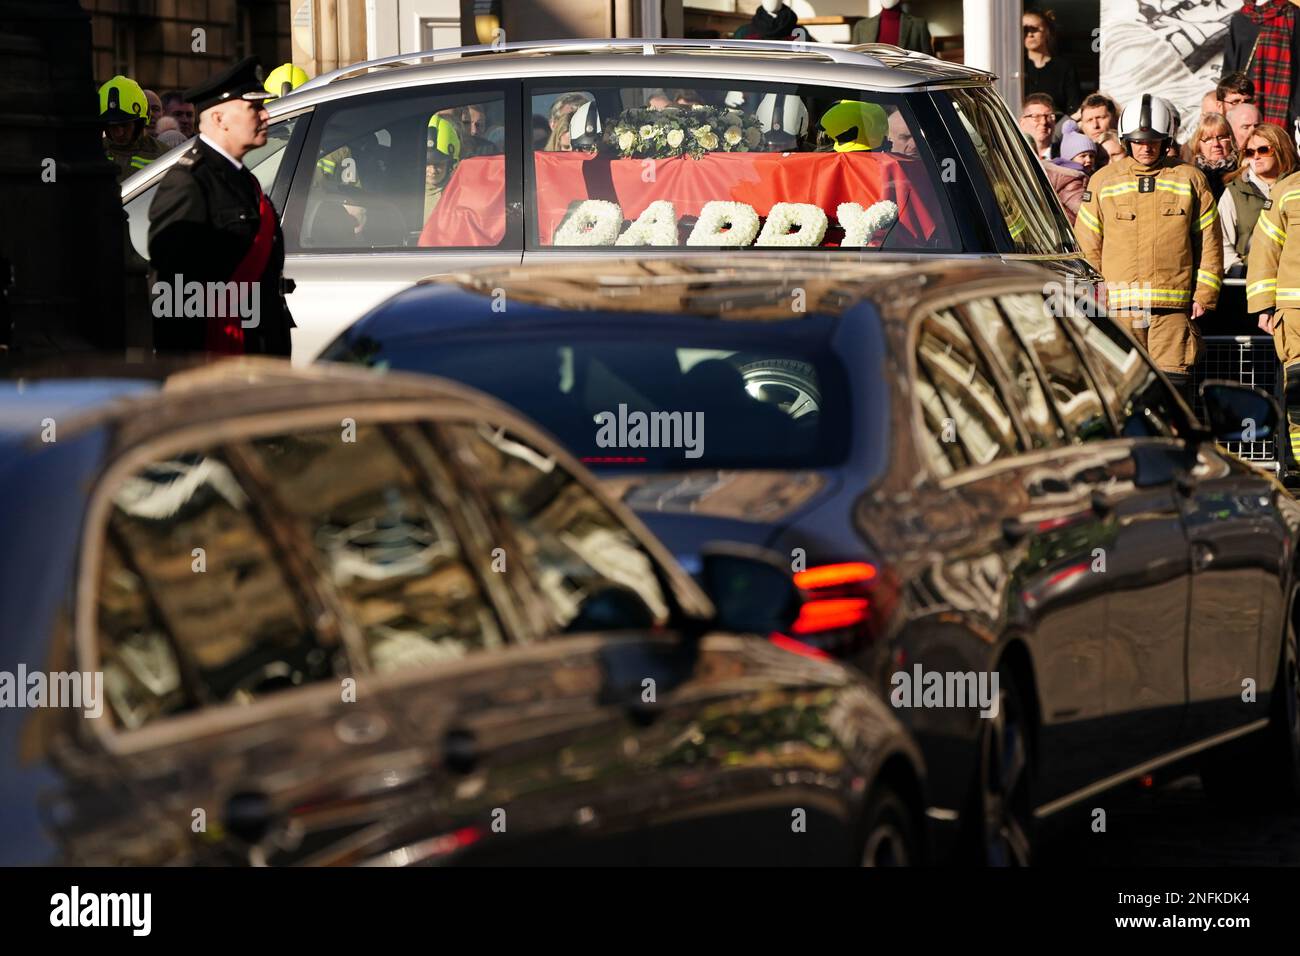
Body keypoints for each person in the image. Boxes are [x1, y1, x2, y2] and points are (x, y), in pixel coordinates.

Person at [1075, 93, 1223, 402]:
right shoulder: (1103, 181)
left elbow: (1209, 242)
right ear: (1127, 141)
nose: (1146, 147)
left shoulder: (1191, 179)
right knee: (1124, 394)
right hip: (1120, 310)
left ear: (1167, 140)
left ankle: (1172, 450)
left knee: (1173, 394)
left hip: (1173, 312)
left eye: (1154, 140)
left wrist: (1204, 296)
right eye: (1139, 141)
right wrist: (1093, 299)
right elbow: (1088, 246)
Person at [147, 57, 292, 356]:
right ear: (219, 119)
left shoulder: (242, 180)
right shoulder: (188, 183)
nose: (265, 116)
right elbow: (173, 300)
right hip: (222, 357)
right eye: (255, 107)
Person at [1247, 145, 1300, 463]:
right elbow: (1265, 250)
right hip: (1295, 313)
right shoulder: (1287, 191)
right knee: (1298, 391)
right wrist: (1264, 305)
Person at [1222, 122, 1298, 276]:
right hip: (1249, 282)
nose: (1256, 156)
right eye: (1250, 152)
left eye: (1263, 150)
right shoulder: (1234, 192)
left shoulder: (1296, 188)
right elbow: (1220, 241)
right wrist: (1239, 271)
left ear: (1281, 150)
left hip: (1293, 279)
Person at [99, 75, 167, 183]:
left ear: (140, 123)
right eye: (112, 126)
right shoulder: (92, 154)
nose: (119, 133)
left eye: (125, 125)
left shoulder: (163, 156)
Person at [1023, 9, 1079, 117]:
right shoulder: (1016, 67)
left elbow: (1073, 107)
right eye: (1024, 30)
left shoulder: (1064, 68)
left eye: (1034, 29)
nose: (1029, 34)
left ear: (1047, 31)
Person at [1183, 112, 1238, 201]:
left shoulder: (1243, 171)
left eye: (1221, 137)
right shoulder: (1190, 174)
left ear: (1230, 139)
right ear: (1198, 144)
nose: (1216, 144)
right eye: (1208, 139)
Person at [422, 114, 462, 224]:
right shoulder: (408, 190)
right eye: (427, 164)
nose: (433, 170)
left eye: (439, 164)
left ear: (450, 164)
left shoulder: (458, 196)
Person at [1019, 93, 1056, 160]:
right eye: (1036, 117)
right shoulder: (1014, 157)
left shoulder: (1067, 157)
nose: (1043, 122)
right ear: (1022, 123)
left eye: (1048, 116)